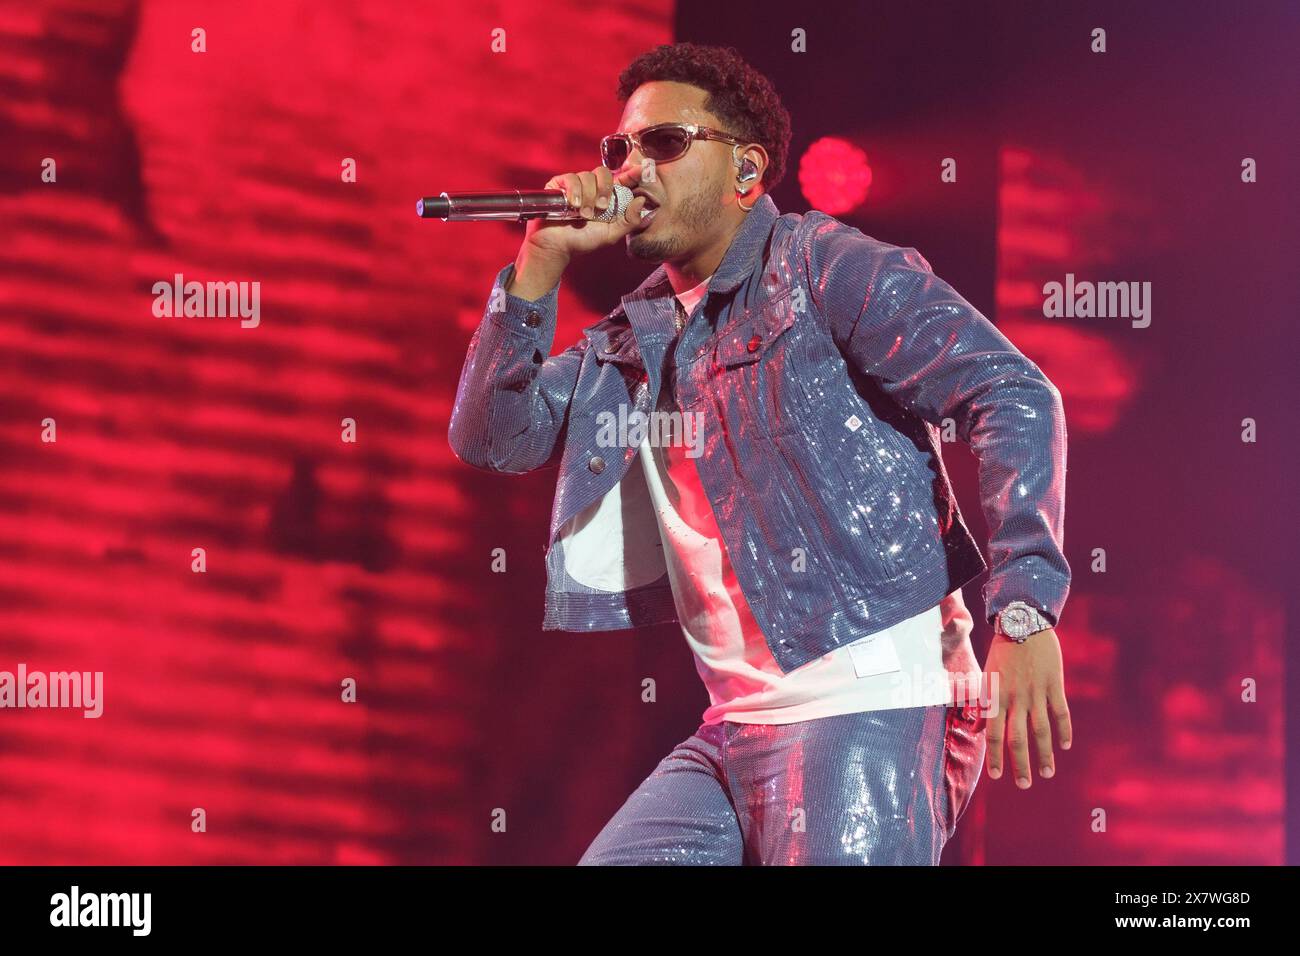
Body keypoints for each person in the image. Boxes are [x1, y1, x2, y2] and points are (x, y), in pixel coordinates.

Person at [449, 42, 1072, 865]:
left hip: (871, 697)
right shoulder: (637, 334)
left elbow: (1014, 391)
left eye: (663, 144)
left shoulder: (821, 266)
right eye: (620, 149)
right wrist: (539, 261)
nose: (631, 169)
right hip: (735, 723)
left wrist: (1024, 611)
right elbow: (495, 439)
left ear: (745, 171)